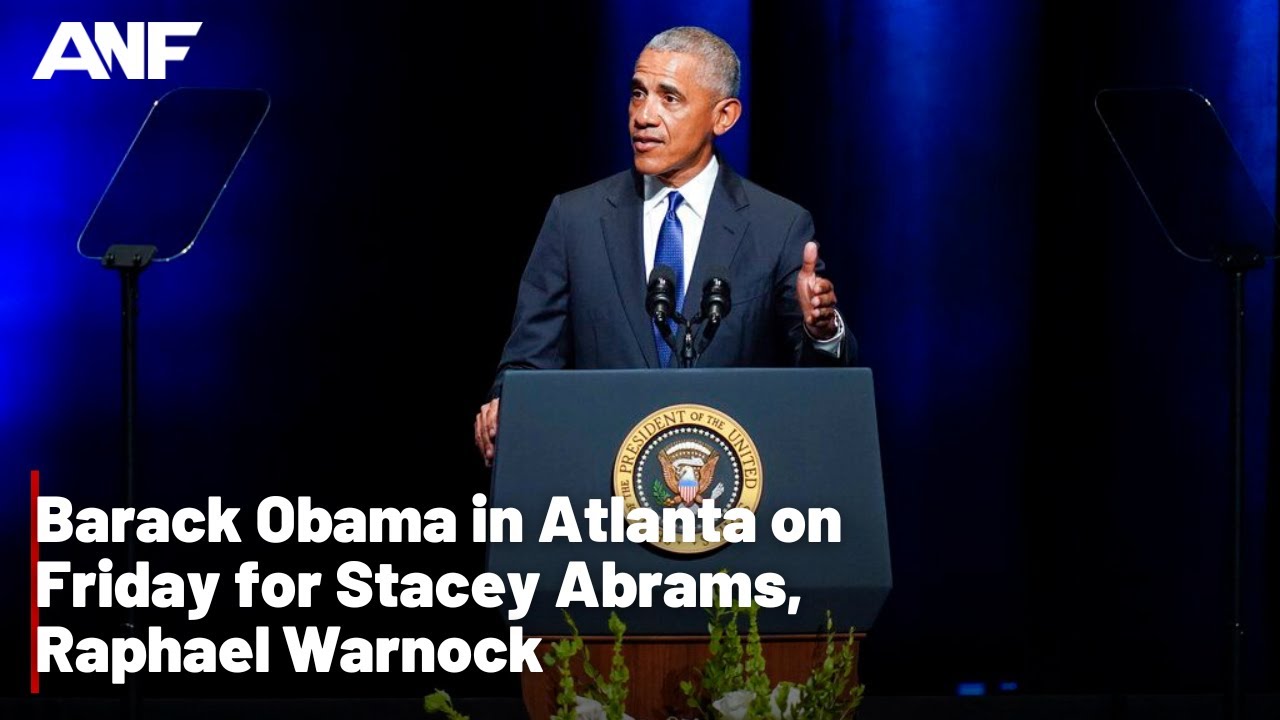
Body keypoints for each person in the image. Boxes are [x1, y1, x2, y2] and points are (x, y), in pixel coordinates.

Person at [474, 26, 853, 466]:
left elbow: (821, 389)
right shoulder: (574, 219)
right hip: (599, 489)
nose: (644, 116)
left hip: (730, 494)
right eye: (638, 94)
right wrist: (506, 401)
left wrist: (821, 332)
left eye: (669, 98)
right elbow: (528, 361)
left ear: (723, 116)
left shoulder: (778, 226)